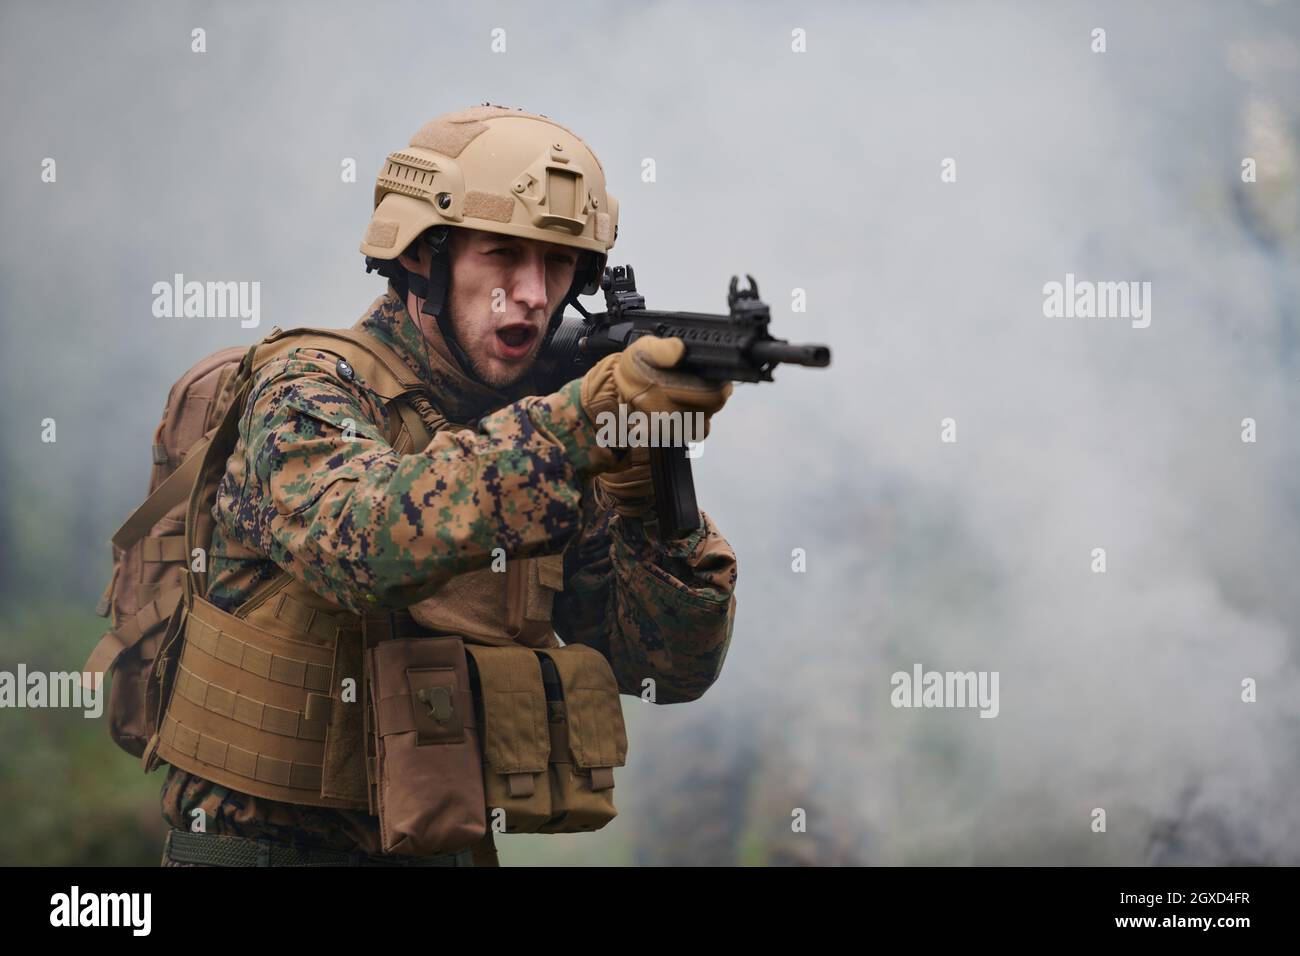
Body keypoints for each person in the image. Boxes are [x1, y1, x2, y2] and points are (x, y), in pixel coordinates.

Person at [157, 104, 739, 867]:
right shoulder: (305, 390)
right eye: (503, 254)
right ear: (425, 255)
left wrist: (651, 500)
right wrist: (580, 424)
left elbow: (665, 669)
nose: (533, 292)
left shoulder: (540, 430)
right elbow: (363, 544)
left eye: (558, 265)